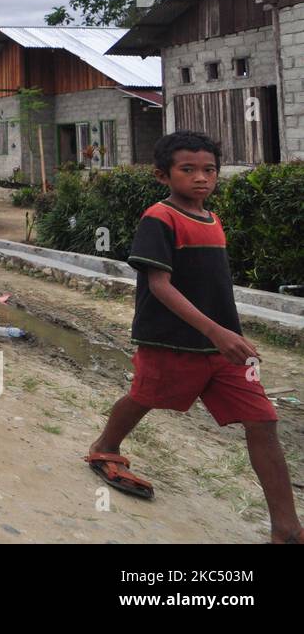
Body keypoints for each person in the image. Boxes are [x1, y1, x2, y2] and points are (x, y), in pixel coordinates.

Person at [85, 130, 302, 543]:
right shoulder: (159, 218)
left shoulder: (213, 220)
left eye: (209, 170)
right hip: (171, 340)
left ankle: (287, 529)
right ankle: (105, 445)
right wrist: (217, 331)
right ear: (163, 175)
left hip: (224, 347)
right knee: (146, 396)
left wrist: (229, 334)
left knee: (263, 420)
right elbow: (160, 285)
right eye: (188, 170)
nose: (201, 178)